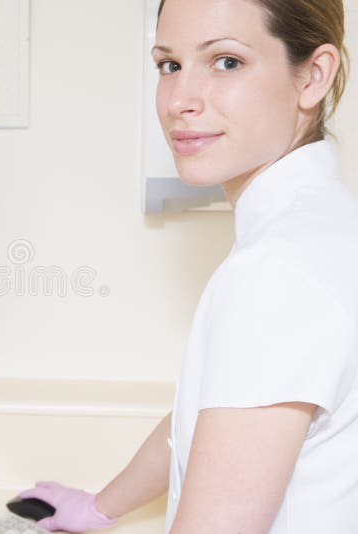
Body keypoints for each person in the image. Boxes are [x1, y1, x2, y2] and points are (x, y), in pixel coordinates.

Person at [19, 0, 358, 532]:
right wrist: (99, 507)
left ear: (314, 76)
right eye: (169, 65)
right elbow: (218, 415)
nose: (179, 100)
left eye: (227, 62)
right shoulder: (324, 222)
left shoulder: (276, 274)